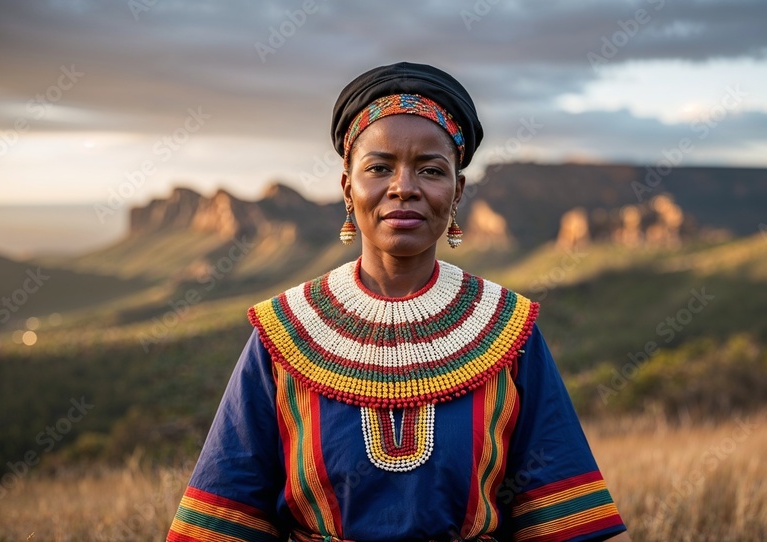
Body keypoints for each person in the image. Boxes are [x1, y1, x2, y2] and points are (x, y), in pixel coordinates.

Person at [167, 61, 629, 542]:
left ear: (457, 192)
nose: (404, 187)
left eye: (431, 170)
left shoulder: (510, 330)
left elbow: (564, 522)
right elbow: (223, 520)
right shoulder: (282, 333)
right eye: (379, 167)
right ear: (348, 188)